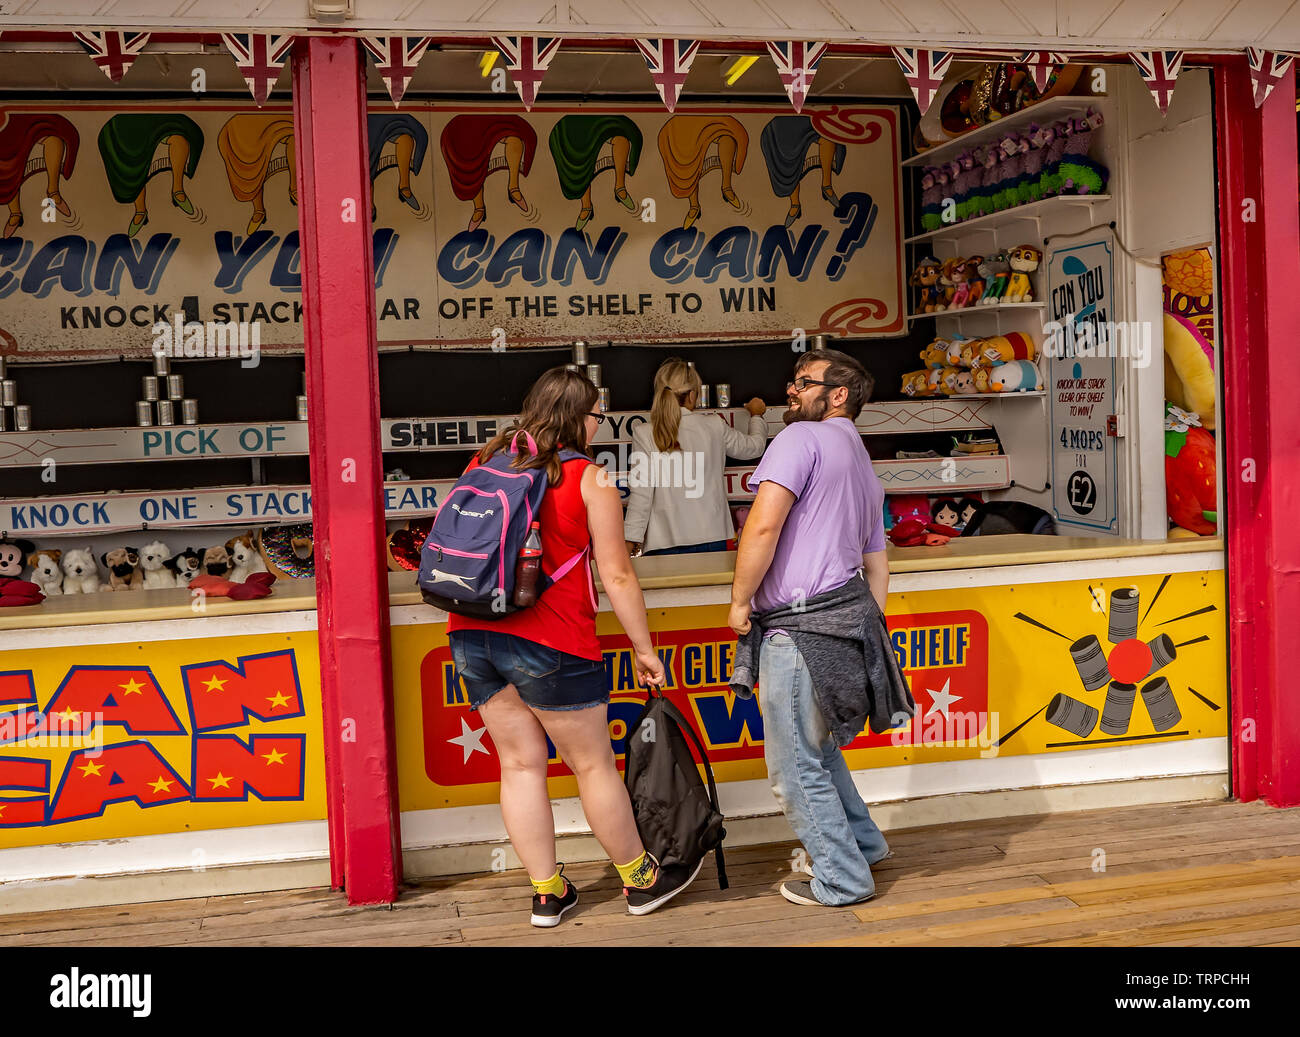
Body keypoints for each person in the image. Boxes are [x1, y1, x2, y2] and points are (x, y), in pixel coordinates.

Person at [446, 367, 699, 927]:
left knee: (518, 766)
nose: (598, 426)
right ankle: (641, 880)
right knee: (592, 766)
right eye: (596, 417)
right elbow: (618, 574)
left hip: (472, 635)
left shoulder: (484, 462)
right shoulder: (591, 478)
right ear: (579, 417)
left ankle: (547, 893)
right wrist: (644, 647)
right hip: (550, 639)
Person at [726, 348, 916, 908]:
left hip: (801, 627)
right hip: (849, 617)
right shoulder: (858, 452)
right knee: (822, 748)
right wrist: (869, 626)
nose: (790, 390)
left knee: (795, 767)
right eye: (792, 380)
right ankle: (864, 845)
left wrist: (739, 601)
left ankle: (843, 878)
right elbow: (876, 556)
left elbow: (761, 528)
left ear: (838, 395)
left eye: (803, 383)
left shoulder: (797, 440)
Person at [624, 357, 768, 557]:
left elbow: (641, 494)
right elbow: (754, 448)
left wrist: (631, 539)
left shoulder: (644, 433)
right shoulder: (714, 426)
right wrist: (757, 416)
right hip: (714, 537)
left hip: (663, 542)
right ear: (692, 395)